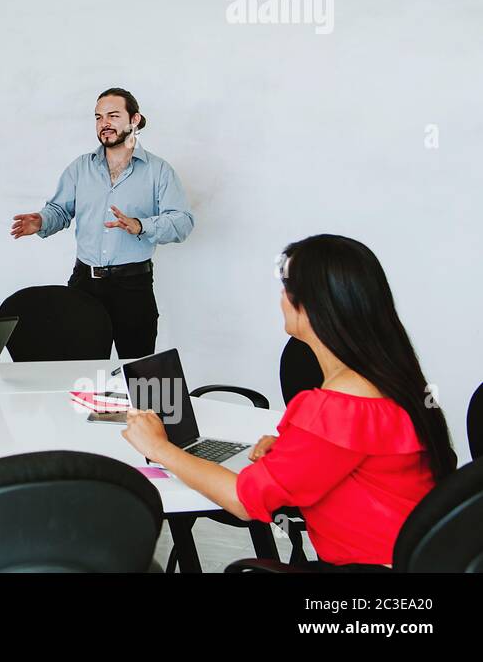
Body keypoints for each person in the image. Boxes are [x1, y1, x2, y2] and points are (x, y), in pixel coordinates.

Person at [122, 234, 456, 569]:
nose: (281, 298)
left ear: (313, 306)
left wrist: (159, 447)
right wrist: (295, 450)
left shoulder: (338, 406)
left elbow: (242, 500)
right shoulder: (392, 380)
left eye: (286, 288)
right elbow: (358, 457)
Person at [11, 87, 193, 358]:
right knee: (78, 369)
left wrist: (141, 226)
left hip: (133, 286)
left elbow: (182, 222)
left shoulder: (159, 171)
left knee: (138, 374)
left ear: (135, 120)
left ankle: (137, 403)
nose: (104, 123)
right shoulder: (80, 168)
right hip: (85, 284)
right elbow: (59, 210)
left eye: (113, 115)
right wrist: (42, 221)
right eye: (98, 117)